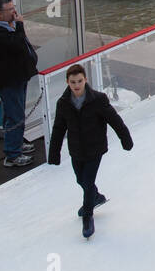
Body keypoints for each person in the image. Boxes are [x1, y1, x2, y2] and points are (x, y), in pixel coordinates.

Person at [48, 63, 133, 239]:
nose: (77, 85)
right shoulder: (63, 103)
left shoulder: (98, 99)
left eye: (79, 81)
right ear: (67, 83)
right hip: (76, 150)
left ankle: (88, 217)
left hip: (95, 149)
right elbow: (58, 129)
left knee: (87, 182)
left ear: (85, 80)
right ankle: (95, 197)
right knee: (81, 180)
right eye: (73, 82)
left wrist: (125, 138)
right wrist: (54, 153)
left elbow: (114, 120)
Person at [0, 0, 40, 168]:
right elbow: (18, 45)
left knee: (16, 112)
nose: (14, 12)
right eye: (10, 9)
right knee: (14, 115)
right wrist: (20, 25)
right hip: (10, 80)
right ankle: (12, 154)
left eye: (14, 8)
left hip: (18, 77)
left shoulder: (5, 27)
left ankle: (16, 143)